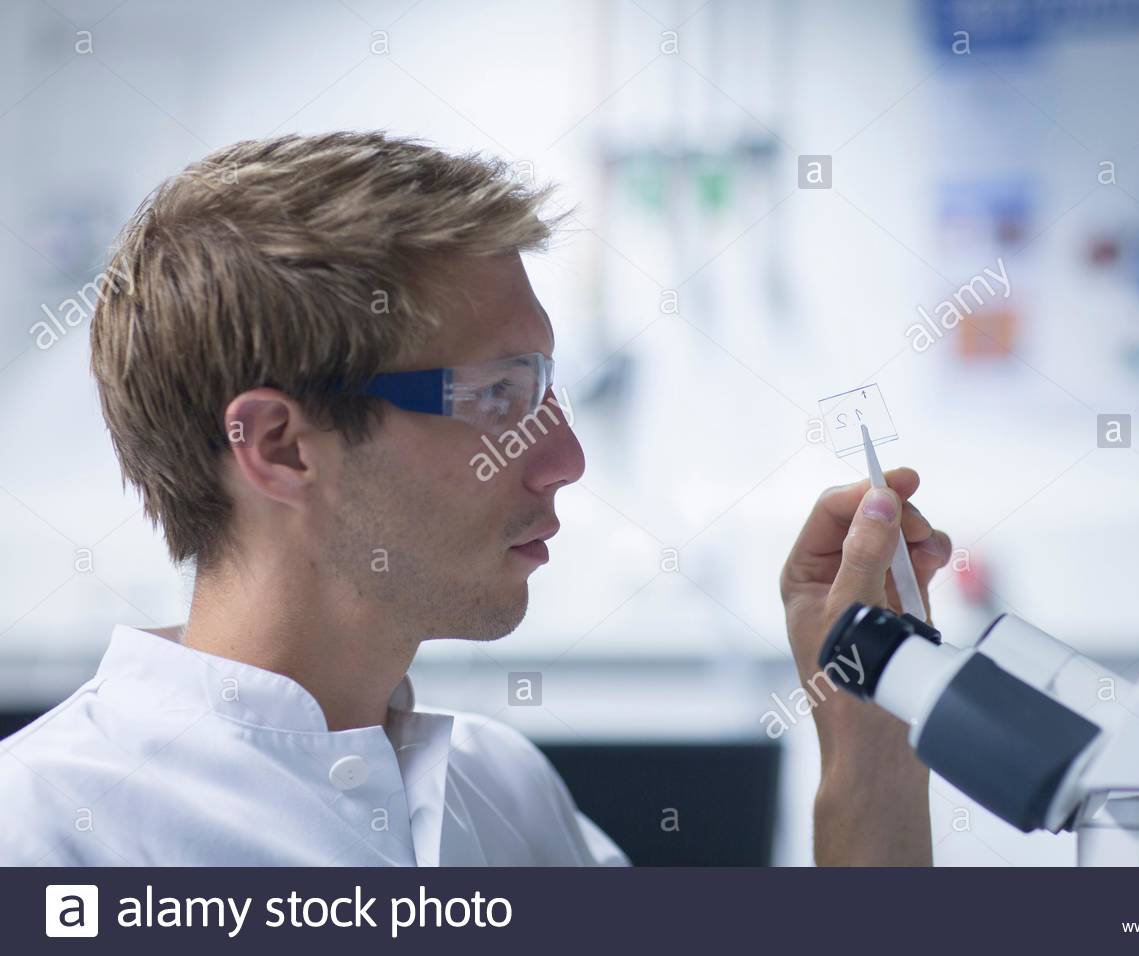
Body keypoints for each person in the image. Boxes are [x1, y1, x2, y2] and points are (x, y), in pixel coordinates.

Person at [0, 131, 949, 866]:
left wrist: (869, 741)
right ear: (282, 448)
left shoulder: (503, 791)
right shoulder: (48, 834)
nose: (565, 457)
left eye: (543, 388)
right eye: (498, 397)